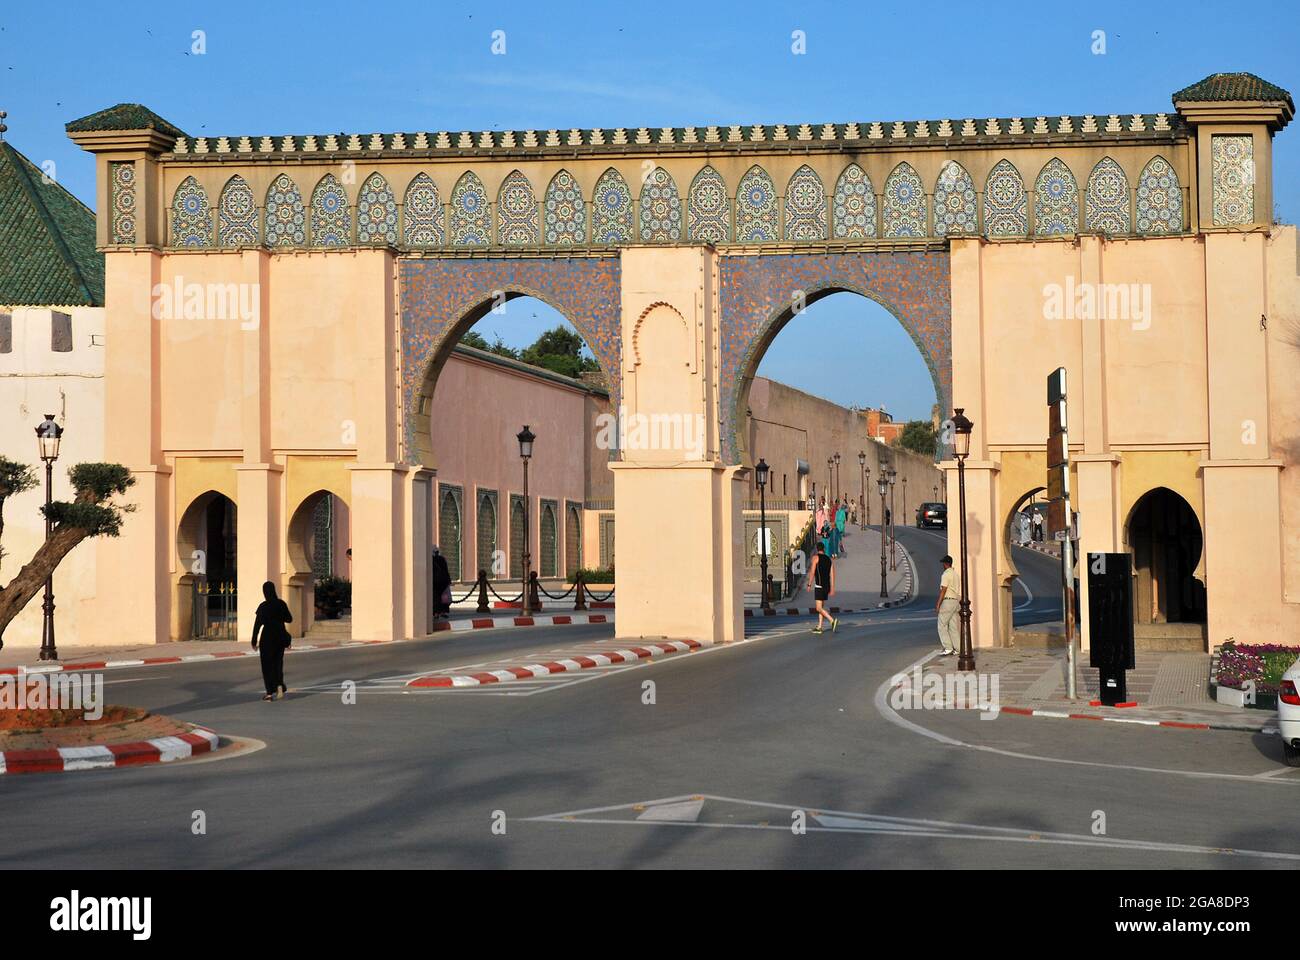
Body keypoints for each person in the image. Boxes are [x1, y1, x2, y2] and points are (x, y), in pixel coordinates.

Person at [251, 580, 293, 701]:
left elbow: (257, 625)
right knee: (278, 663)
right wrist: (279, 618)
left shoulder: (263, 607)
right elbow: (289, 619)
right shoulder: (281, 604)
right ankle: (279, 685)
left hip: (267, 638)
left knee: (267, 665)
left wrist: (254, 641)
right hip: (280, 636)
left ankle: (269, 693)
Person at [806, 541, 838, 634]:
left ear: (817, 549)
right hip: (827, 586)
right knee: (822, 606)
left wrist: (809, 584)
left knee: (818, 608)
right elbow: (832, 574)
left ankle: (832, 620)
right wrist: (832, 588)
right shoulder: (829, 559)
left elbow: (812, 572)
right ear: (824, 549)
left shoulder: (815, 558)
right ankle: (820, 627)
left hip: (819, 585)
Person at [935, 555, 959, 656]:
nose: (942, 565)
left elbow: (943, 590)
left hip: (947, 601)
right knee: (953, 626)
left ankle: (948, 647)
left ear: (945, 564)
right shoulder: (955, 574)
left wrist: (938, 604)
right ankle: (958, 648)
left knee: (942, 625)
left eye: (943, 563)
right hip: (955, 601)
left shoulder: (946, 574)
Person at [431, 545, 451, 620]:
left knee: (435, 597)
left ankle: (436, 613)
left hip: (435, 582)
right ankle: (443, 611)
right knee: (444, 597)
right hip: (444, 581)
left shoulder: (431, 560)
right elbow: (446, 570)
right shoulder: (442, 559)